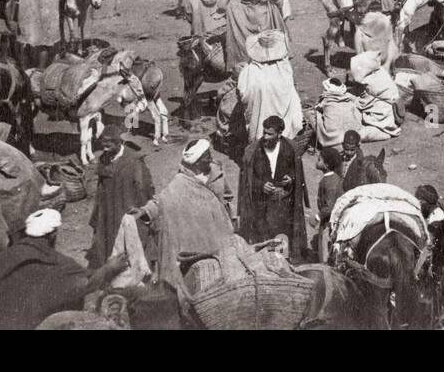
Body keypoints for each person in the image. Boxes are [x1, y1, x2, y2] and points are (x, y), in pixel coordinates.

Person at [134, 139, 236, 297]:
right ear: (195, 163)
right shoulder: (181, 181)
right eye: (205, 156)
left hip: (217, 230)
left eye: (209, 153)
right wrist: (145, 211)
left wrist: (227, 214)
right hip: (195, 234)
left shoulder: (217, 172)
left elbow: (228, 195)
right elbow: (163, 200)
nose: (210, 158)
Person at [238, 115, 309, 260]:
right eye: (264, 132)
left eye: (270, 134)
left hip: (283, 206)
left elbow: (296, 173)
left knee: (281, 240)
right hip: (261, 205)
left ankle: (282, 265)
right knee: (263, 240)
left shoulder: (291, 148)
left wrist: (291, 178)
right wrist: (261, 185)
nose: (265, 136)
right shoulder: (253, 150)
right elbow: (248, 180)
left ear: (280, 134)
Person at [86, 127, 154, 269]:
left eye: (108, 145)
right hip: (108, 208)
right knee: (108, 238)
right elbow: (101, 186)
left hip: (127, 207)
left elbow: (143, 188)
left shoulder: (134, 161)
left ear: (118, 143)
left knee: (130, 241)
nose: (104, 148)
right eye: (103, 145)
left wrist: (142, 211)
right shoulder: (104, 158)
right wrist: (98, 212)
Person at [237, 30, 303, 143]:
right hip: (282, 122)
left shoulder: (249, 71)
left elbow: (243, 94)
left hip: (258, 122)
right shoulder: (285, 68)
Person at [314, 146, 347, 261]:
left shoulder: (330, 182)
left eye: (319, 160)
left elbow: (329, 207)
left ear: (326, 165)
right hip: (329, 220)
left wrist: (317, 217)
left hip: (330, 222)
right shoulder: (331, 179)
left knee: (325, 247)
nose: (316, 161)